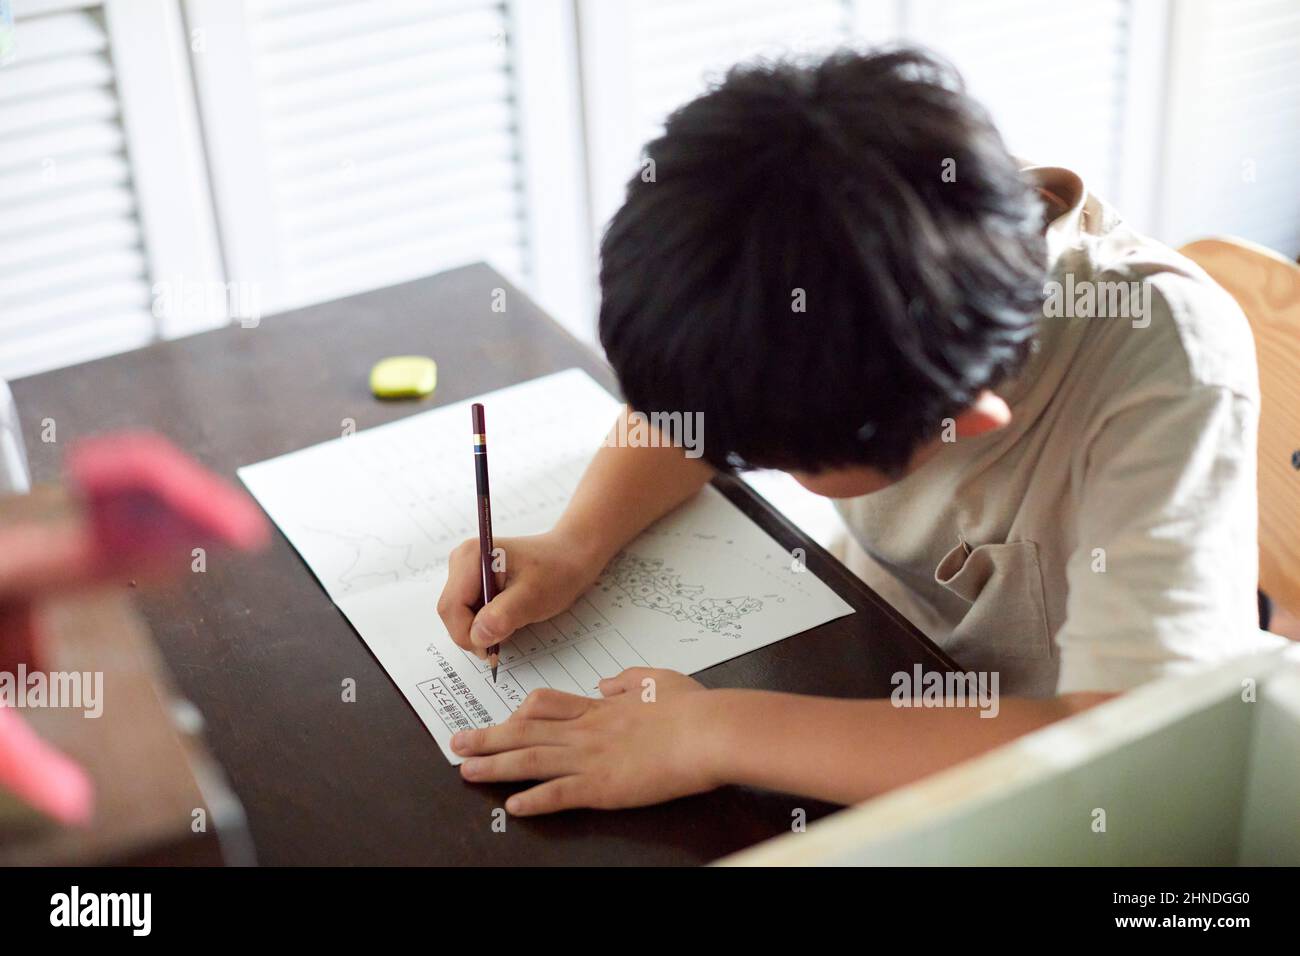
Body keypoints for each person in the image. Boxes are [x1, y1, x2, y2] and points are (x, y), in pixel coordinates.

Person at [436, 48, 1278, 816]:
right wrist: (576, 543)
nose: (722, 456)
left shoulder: (1164, 369)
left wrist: (710, 733)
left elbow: (1125, 751)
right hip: (871, 651)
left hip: (1041, 767)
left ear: (963, 423)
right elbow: (700, 400)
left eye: (779, 459)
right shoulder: (835, 238)